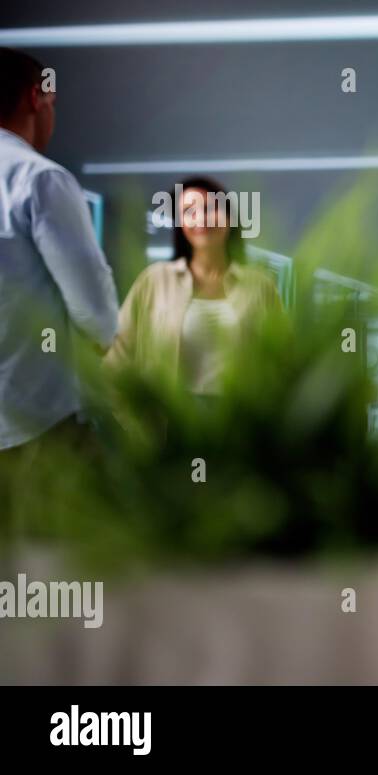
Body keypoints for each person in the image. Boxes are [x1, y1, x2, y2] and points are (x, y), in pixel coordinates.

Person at [0, 48, 118, 527]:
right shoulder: (39, 179)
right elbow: (94, 311)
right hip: (38, 427)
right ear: (37, 96)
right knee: (60, 574)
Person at [106, 177, 281, 395]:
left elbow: (281, 364)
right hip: (166, 422)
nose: (201, 218)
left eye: (210, 207)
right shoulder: (155, 280)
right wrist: (127, 422)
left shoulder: (259, 286)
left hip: (241, 423)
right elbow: (118, 357)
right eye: (189, 210)